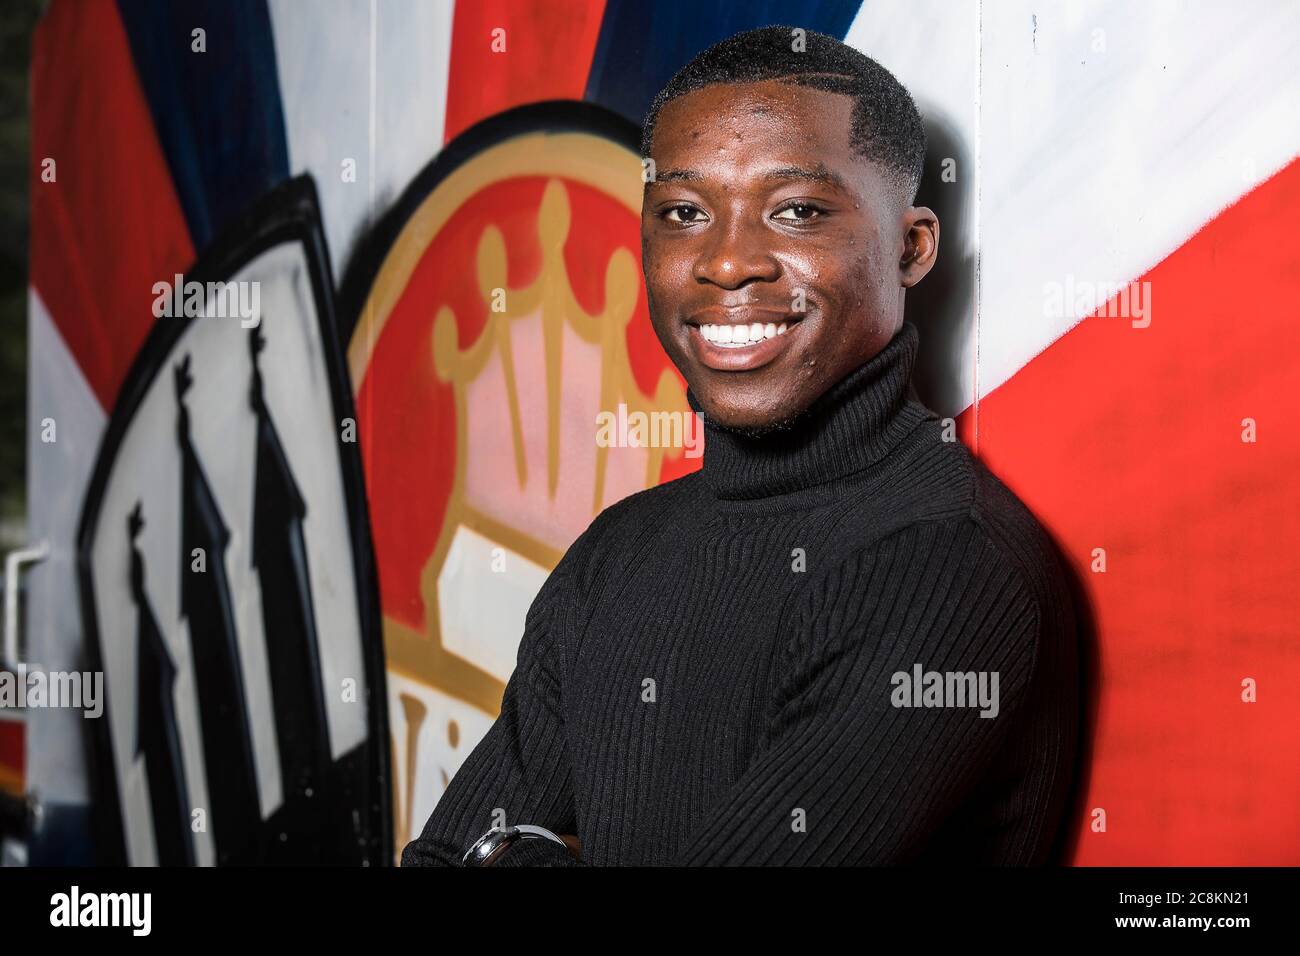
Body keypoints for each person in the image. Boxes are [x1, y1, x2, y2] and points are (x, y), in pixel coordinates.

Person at [401, 25, 1079, 867]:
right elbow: (440, 857)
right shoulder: (619, 553)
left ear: (911, 249)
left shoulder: (943, 565)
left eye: (796, 210)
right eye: (685, 213)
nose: (727, 263)